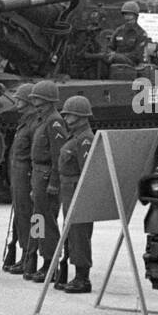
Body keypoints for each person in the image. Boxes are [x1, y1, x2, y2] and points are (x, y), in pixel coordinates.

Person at [27, 79, 67, 283]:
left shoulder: (54, 122)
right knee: (38, 219)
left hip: (46, 177)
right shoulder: (44, 120)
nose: (36, 105)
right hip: (38, 175)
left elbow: (58, 155)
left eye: (39, 101)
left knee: (47, 221)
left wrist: (54, 182)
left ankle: (50, 262)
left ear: (49, 102)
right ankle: (37, 255)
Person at [57, 96, 95, 294]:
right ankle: (73, 271)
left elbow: (87, 170)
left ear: (80, 116)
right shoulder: (74, 136)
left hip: (77, 189)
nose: (65, 116)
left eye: (69, 113)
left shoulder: (85, 139)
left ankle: (82, 278)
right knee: (71, 232)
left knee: (79, 233)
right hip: (68, 188)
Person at [5, 83, 38, 275]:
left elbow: (36, 154)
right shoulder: (26, 121)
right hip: (18, 176)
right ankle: (25, 253)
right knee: (21, 216)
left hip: (25, 177)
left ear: (27, 101)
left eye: (19, 98)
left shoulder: (34, 124)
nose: (15, 100)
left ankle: (29, 255)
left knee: (27, 216)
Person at [107, 1, 149, 74]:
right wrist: (111, 53)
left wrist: (118, 56)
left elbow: (137, 55)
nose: (127, 17)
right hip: (116, 62)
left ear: (135, 16)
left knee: (116, 58)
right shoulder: (118, 31)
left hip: (132, 64)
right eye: (126, 14)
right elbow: (110, 47)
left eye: (130, 15)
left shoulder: (141, 33)